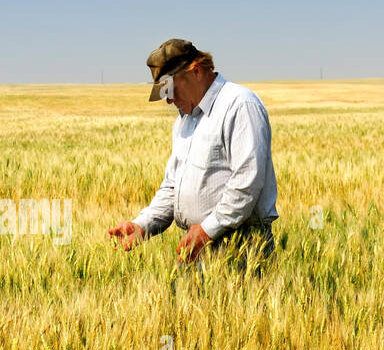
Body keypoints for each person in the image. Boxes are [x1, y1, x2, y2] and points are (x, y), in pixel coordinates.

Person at [108, 39, 278, 268]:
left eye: (170, 88)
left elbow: (247, 182)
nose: (168, 99)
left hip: (241, 248)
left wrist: (208, 230)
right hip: (194, 247)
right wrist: (142, 225)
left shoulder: (239, 104)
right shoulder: (184, 121)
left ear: (196, 71)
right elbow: (172, 186)